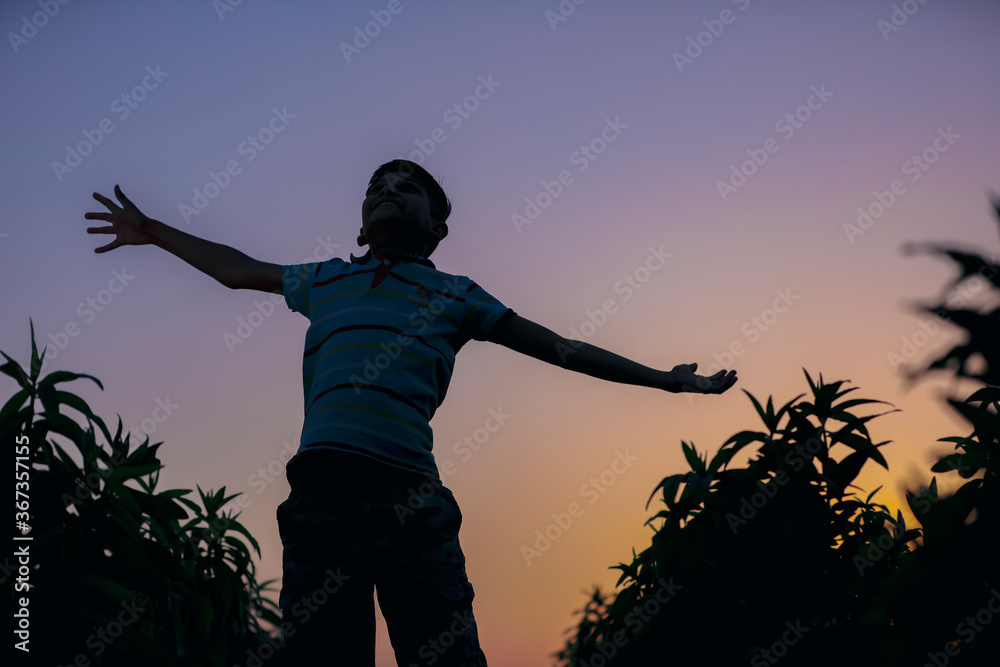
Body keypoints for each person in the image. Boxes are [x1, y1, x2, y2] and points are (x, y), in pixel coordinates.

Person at [85, 159, 738, 665]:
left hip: (409, 501)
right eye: (376, 189)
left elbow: (560, 347)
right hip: (320, 498)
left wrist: (667, 382)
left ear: (437, 228)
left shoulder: (456, 295)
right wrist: (153, 232)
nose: (389, 191)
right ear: (360, 226)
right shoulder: (323, 279)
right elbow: (235, 269)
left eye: (408, 187)